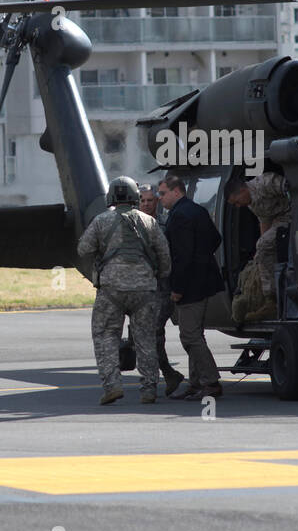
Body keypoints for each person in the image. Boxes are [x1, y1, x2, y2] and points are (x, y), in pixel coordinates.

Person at [77, 176, 171, 405]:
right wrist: (158, 277)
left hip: (111, 290)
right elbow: (165, 257)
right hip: (144, 290)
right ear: (134, 197)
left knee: (105, 335)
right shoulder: (149, 222)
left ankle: (112, 386)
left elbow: (83, 249)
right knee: (146, 339)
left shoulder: (101, 221)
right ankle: (149, 389)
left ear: (111, 197)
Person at [158, 173, 225, 399]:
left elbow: (182, 257)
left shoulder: (179, 216)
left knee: (190, 336)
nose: (160, 198)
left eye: (163, 193)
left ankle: (211, 382)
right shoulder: (196, 210)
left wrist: (177, 288)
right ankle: (196, 383)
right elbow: (215, 239)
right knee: (195, 334)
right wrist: (203, 258)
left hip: (190, 286)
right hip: (204, 282)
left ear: (177, 192)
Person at [137, 184, 185, 395]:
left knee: (153, 331)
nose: (147, 204)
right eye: (143, 201)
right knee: (141, 335)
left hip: (161, 289)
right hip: (138, 290)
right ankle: (167, 374)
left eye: (150, 200)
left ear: (157, 201)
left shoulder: (165, 223)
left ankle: (155, 380)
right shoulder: (132, 225)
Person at [225, 170, 290, 321]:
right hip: (280, 221)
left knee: (263, 245)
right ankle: (270, 299)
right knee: (262, 249)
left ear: (242, 190)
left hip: (293, 214)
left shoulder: (264, 183)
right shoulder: (251, 204)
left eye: (236, 201)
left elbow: (290, 188)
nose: (238, 205)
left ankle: (271, 299)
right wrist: (260, 250)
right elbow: (265, 221)